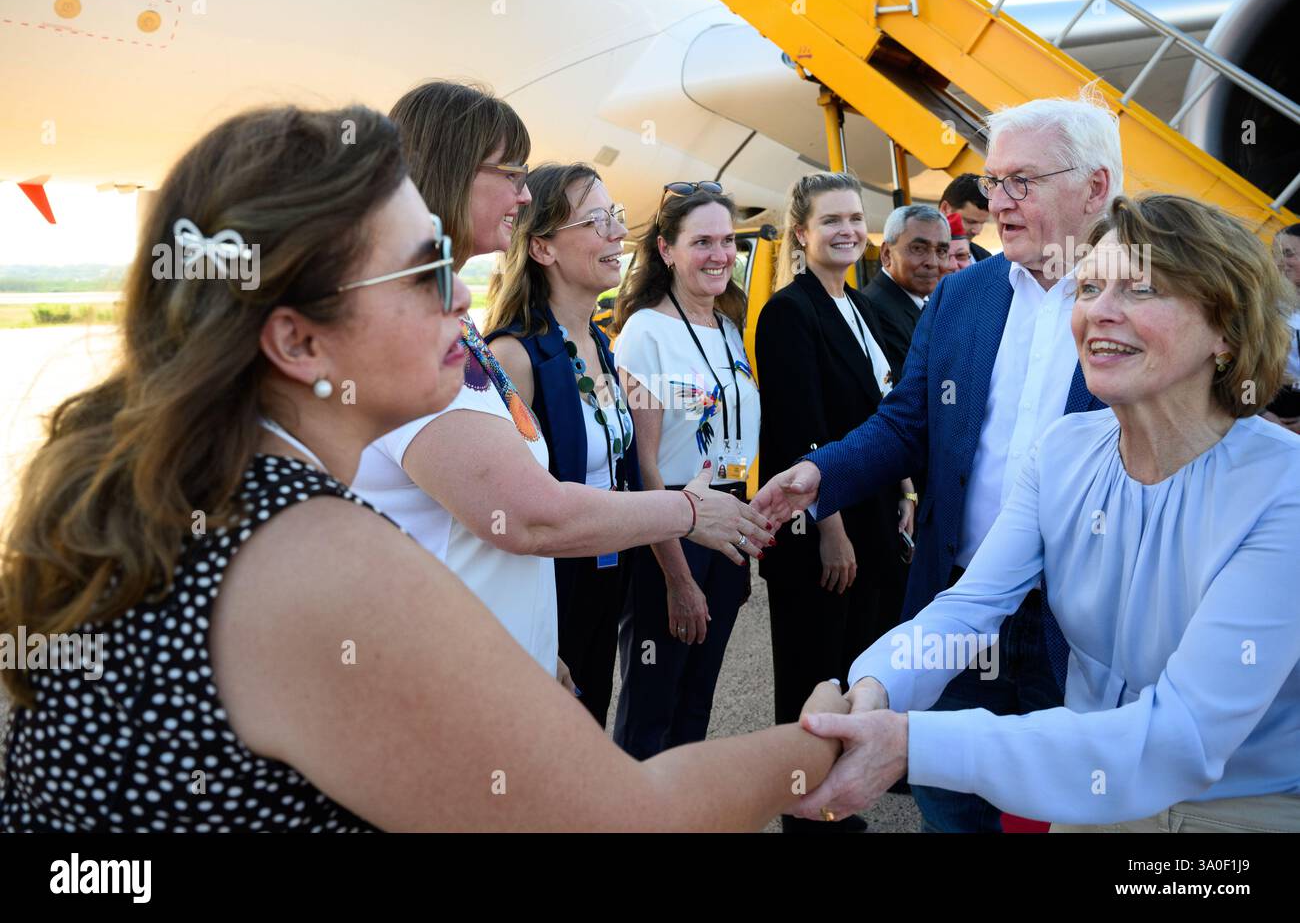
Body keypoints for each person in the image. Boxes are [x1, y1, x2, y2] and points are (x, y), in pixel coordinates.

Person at [0, 105, 849, 832]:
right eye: (421, 270)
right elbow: (623, 817)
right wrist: (832, 742)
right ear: (297, 341)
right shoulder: (303, 554)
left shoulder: (219, 499)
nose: (459, 298)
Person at [793, 194, 1300, 833]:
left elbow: (1181, 739)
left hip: (1244, 818)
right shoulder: (1063, 453)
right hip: (1093, 803)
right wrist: (874, 690)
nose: (1099, 313)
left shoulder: (1284, 489)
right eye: (1088, 287)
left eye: (1140, 290)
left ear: (1226, 330)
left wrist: (914, 743)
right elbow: (969, 607)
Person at [754, 92, 1120, 832]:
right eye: (993, 183)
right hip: (960, 599)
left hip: (1077, 618)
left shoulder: (1141, 297)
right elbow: (906, 423)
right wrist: (822, 472)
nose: (998, 201)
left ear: (1095, 186)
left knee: (1068, 804)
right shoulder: (962, 296)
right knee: (950, 802)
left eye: (1023, 181)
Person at [351, 83, 772, 684]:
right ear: (449, 171)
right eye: (512, 173)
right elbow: (529, 517)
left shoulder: (447, 320)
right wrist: (684, 511)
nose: (523, 195)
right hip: (448, 679)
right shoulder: (405, 327)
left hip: (506, 654)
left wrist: (536, 646)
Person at [755, 172, 917, 832]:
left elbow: (883, 410)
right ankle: (807, 813)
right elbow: (802, 428)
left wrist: (904, 489)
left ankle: (840, 796)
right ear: (801, 232)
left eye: (855, 218)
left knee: (855, 667)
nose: (848, 230)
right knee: (812, 673)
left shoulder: (859, 305)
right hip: (821, 524)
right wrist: (831, 528)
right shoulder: (789, 312)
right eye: (831, 221)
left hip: (873, 515)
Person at [482, 161, 642, 725]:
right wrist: (532, 640)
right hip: (550, 590)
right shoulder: (513, 358)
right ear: (544, 248)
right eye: (598, 221)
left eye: (616, 217)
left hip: (604, 576)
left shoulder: (598, 341)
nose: (619, 234)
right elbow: (496, 521)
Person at [611, 182, 762, 759]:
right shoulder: (645, 333)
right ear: (666, 249)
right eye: (702, 241)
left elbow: (734, 440)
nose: (720, 254)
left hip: (727, 521)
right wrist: (677, 577)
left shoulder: (728, 328)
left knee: (697, 700)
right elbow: (644, 468)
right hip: (670, 526)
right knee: (652, 703)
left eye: (727, 240)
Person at [863, 204, 949, 378]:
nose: (932, 262)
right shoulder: (875, 310)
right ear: (886, 254)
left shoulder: (925, 304)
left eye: (941, 251)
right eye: (918, 248)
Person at [1264, 222, 1300, 433]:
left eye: (1288, 254)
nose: (1278, 262)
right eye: (1274, 253)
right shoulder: (1258, 304)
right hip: (1259, 403)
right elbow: (1237, 366)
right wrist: (1256, 411)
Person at [939, 173, 992, 261]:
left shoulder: (985, 258)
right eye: (970, 221)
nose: (977, 231)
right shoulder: (916, 256)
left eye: (982, 223)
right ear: (945, 209)